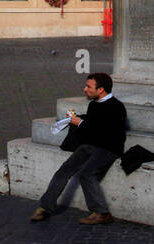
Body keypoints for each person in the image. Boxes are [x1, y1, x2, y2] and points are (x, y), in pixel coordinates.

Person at [30, 73, 127, 227]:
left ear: (101, 89)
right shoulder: (95, 104)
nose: (85, 89)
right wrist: (76, 120)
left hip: (108, 148)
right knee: (64, 170)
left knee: (86, 174)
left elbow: (105, 134)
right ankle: (44, 207)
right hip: (90, 145)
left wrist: (81, 123)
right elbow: (92, 125)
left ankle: (102, 213)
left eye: (89, 86)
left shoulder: (116, 107)